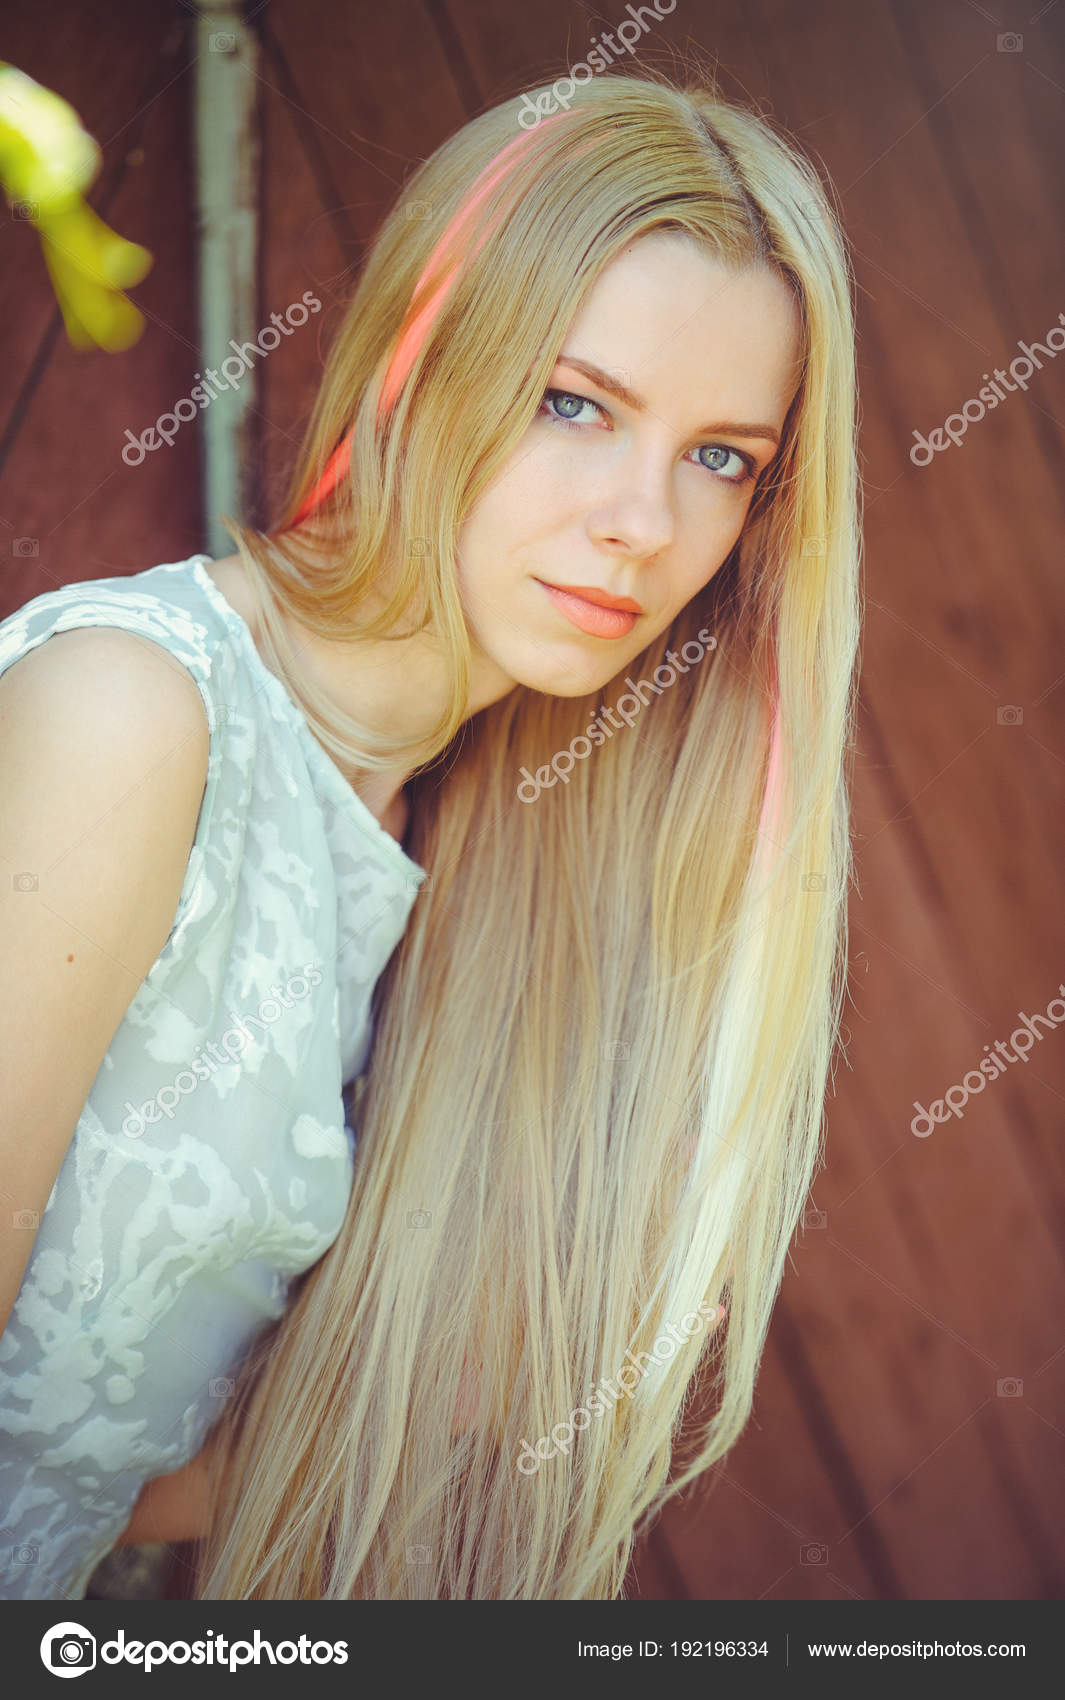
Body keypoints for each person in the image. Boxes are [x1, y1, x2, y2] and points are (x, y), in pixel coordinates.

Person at [2, 68, 860, 1602]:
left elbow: (82, 1480)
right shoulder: (126, 718)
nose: (641, 523)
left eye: (721, 457)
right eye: (572, 402)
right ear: (416, 356)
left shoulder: (475, 840)